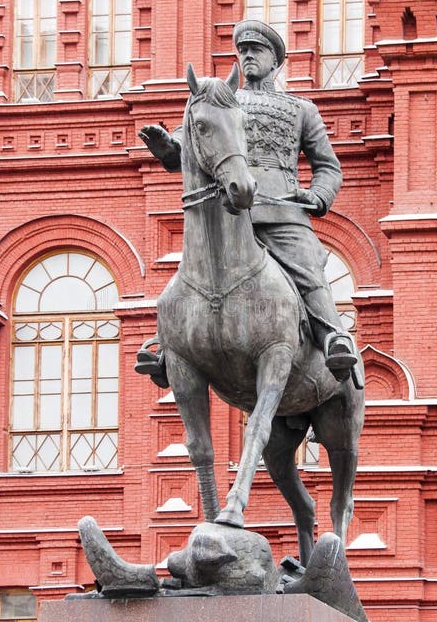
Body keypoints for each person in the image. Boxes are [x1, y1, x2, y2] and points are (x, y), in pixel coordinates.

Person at [136, 19, 360, 388]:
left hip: (282, 210)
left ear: (275, 60)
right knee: (191, 269)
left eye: (256, 51)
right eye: (243, 51)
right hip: (228, 210)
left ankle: (333, 336)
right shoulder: (224, 98)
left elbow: (328, 167)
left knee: (308, 267)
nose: (248, 57)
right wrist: (168, 148)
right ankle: (168, 344)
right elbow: (192, 140)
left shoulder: (301, 109)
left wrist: (317, 196)